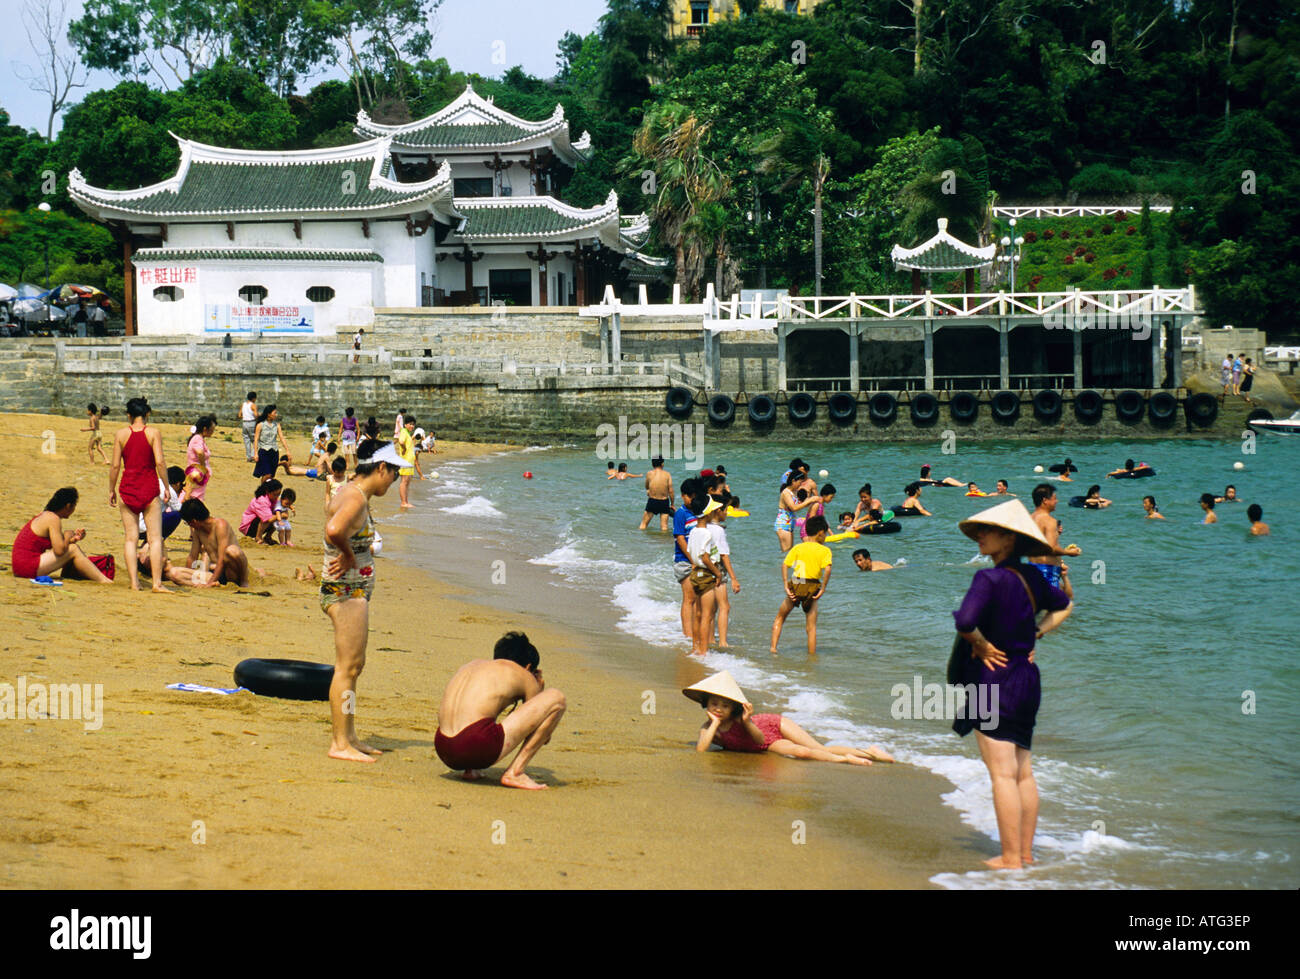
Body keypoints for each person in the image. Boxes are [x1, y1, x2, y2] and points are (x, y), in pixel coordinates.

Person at [951, 499, 1073, 870]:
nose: (981, 536)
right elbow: (1066, 603)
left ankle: (1009, 858)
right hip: (1026, 678)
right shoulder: (1034, 576)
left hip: (992, 680)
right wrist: (1037, 632)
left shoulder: (987, 578)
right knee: (1023, 771)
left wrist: (982, 644)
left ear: (1009, 539)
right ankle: (1024, 853)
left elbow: (965, 622)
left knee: (1002, 773)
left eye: (988, 531)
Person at [320, 439, 401, 762]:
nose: (394, 480)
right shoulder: (355, 499)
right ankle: (339, 743)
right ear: (381, 468)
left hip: (351, 590)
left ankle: (349, 735)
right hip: (346, 591)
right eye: (393, 473)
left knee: (355, 666)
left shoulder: (352, 492)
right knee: (347, 667)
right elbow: (334, 528)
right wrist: (350, 555)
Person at [435, 631, 567, 789]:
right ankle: (515, 773)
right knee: (557, 698)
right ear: (528, 666)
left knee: (482, 714)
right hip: (474, 746)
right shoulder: (524, 675)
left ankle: (471, 770)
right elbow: (542, 735)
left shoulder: (471, 666)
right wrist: (539, 689)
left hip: (443, 747)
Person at [687, 671, 893, 764]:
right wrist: (714, 723)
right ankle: (845, 759)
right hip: (764, 747)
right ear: (706, 703)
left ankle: (868, 752)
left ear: (734, 709)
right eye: (714, 704)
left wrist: (747, 721)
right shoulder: (708, 728)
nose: (719, 709)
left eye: (725, 705)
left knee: (819, 748)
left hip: (770, 726)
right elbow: (701, 750)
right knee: (802, 752)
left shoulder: (740, 720)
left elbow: (760, 739)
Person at [109, 396, 170, 593]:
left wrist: (111, 489)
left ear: (129, 415)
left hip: (128, 487)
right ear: (147, 414)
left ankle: (134, 583)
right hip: (148, 487)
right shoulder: (153, 433)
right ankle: (156, 583)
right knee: (154, 538)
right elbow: (160, 462)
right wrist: (167, 486)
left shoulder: (121, 434)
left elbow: (116, 465)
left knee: (130, 538)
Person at [10, 487, 113, 583]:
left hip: (19, 566)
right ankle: (103, 580)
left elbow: (56, 543)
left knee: (72, 547)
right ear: (68, 506)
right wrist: (67, 535)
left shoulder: (45, 515)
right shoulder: (53, 518)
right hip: (26, 567)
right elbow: (59, 551)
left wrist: (72, 539)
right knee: (74, 549)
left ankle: (96, 577)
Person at [771, 514, 833, 656]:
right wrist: (823, 588)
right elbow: (828, 569)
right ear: (820, 533)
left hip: (797, 583)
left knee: (780, 617)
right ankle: (811, 656)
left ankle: (773, 648)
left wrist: (786, 586)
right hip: (812, 586)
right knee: (811, 627)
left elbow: (785, 565)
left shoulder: (798, 548)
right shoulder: (825, 550)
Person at [179, 499, 252, 587]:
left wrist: (209, 583)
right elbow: (192, 557)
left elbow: (222, 559)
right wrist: (189, 575)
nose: (189, 526)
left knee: (231, 551)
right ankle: (213, 581)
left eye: (187, 523)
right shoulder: (197, 531)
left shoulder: (220, 525)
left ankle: (244, 581)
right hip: (213, 571)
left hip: (231, 571)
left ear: (194, 521)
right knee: (175, 573)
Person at [1026, 484, 1081, 599]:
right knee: (1057, 609)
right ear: (1045, 500)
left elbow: (1036, 544)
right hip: (1047, 572)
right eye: (1054, 498)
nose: (1057, 501)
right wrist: (1070, 552)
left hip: (1032, 569)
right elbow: (1051, 548)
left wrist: (1055, 534)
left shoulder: (1030, 518)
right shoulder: (1049, 521)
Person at [686, 498, 724, 656]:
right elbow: (706, 557)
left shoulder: (694, 531)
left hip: (695, 574)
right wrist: (717, 573)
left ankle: (695, 647)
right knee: (707, 616)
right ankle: (703, 651)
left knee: (698, 614)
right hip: (706, 574)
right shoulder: (707, 534)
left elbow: (690, 551)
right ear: (707, 513)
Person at [707, 496, 741, 647]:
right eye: (726, 510)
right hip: (717, 569)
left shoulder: (704, 527)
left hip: (705, 567)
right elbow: (724, 555)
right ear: (718, 511)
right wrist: (734, 578)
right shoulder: (718, 531)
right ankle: (722, 642)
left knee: (710, 607)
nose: (727, 513)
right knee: (724, 606)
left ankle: (710, 639)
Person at [672, 478, 700, 640]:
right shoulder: (681, 513)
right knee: (689, 598)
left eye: (694, 496)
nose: (691, 499)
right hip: (685, 560)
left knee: (698, 599)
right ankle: (687, 635)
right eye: (689, 496)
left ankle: (696, 632)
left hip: (698, 561)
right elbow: (680, 539)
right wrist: (692, 559)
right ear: (683, 496)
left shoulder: (698, 512)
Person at [775, 470, 821, 552]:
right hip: (783, 523)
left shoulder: (793, 492)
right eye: (799, 482)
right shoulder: (786, 493)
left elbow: (801, 504)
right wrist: (809, 501)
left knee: (788, 551)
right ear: (793, 481)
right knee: (786, 551)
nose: (800, 485)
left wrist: (813, 500)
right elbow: (794, 508)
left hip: (789, 523)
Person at [252, 404, 291, 484]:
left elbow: (282, 438)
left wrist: (287, 451)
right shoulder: (260, 425)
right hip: (264, 451)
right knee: (266, 474)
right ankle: (262, 491)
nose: (276, 415)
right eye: (274, 413)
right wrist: (255, 453)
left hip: (274, 452)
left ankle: (265, 491)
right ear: (269, 414)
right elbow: (256, 439)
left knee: (271, 476)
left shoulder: (277, 425)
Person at [240, 480, 283, 545]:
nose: (277, 497)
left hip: (258, 524)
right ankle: (258, 537)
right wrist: (281, 515)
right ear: (267, 492)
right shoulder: (262, 500)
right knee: (269, 518)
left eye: (278, 495)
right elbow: (268, 519)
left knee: (277, 514)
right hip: (248, 527)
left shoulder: (273, 499)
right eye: (275, 495)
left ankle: (268, 537)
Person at [639, 456, 675, 531]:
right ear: (662, 464)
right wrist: (672, 504)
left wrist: (648, 491)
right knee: (664, 527)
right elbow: (671, 491)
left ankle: (639, 540)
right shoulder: (667, 474)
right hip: (664, 502)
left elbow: (647, 486)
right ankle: (662, 541)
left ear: (652, 464)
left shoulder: (649, 473)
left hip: (652, 501)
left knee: (643, 525)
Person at [184, 414, 215, 502]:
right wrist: (203, 466)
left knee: (193, 494)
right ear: (205, 429)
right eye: (212, 430)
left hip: (196, 472)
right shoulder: (198, 438)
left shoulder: (198, 438)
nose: (213, 432)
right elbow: (200, 452)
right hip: (197, 473)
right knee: (194, 496)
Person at [394, 414, 422, 507]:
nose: (412, 426)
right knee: (404, 482)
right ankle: (403, 502)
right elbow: (401, 441)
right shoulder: (403, 432)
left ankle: (406, 501)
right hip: (405, 461)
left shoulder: (407, 433)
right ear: (405, 424)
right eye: (410, 424)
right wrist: (404, 449)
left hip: (409, 462)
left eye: (413, 424)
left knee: (407, 482)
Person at [239, 392, 258, 463]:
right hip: (251, 423)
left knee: (246, 440)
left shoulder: (243, 404)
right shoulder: (253, 405)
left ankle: (248, 457)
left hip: (244, 423)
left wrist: (245, 416)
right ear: (253, 398)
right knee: (255, 440)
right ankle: (253, 456)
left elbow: (239, 415)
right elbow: (256, 415)